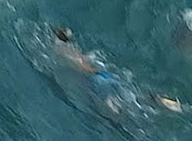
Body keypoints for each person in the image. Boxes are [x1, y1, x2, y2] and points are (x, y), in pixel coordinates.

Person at [53, 28, 183, 115]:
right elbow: (88, 63)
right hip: (105, 76)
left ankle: (153, 103)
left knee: (119, 106)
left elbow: (82, 68)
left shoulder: (63, 50)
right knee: (132, 96)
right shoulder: (75, 51)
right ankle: (158, 100)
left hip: (96, 81)